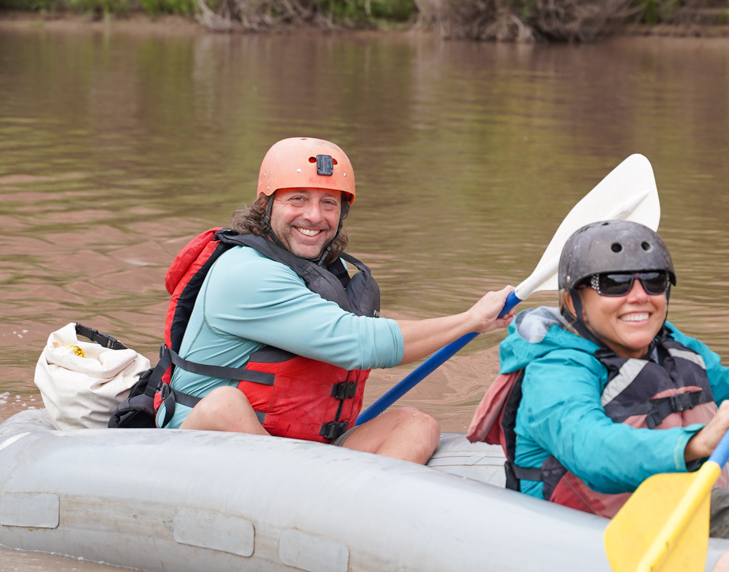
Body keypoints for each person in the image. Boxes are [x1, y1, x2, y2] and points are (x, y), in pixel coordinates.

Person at [477, 218, 729, 540]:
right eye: (614, 283)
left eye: (654, 281)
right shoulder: (554, 371)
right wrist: (695, 442)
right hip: (596, 540)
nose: (640, 296)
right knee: (716, 510)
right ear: (573, 302)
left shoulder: (677, 351)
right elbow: (592, 448)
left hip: (688, 523)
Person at [156, 136, 514, 465]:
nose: (314, 216)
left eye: (328, 203)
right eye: (298, 199)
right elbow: (358, 343)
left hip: (296, 450)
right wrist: (470, 320)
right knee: (225, 405)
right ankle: (300, 498)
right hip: (197, 447)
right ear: (266, 205)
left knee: (415, 425)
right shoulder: (246, 273)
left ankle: (351, 509)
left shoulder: (327, 270)